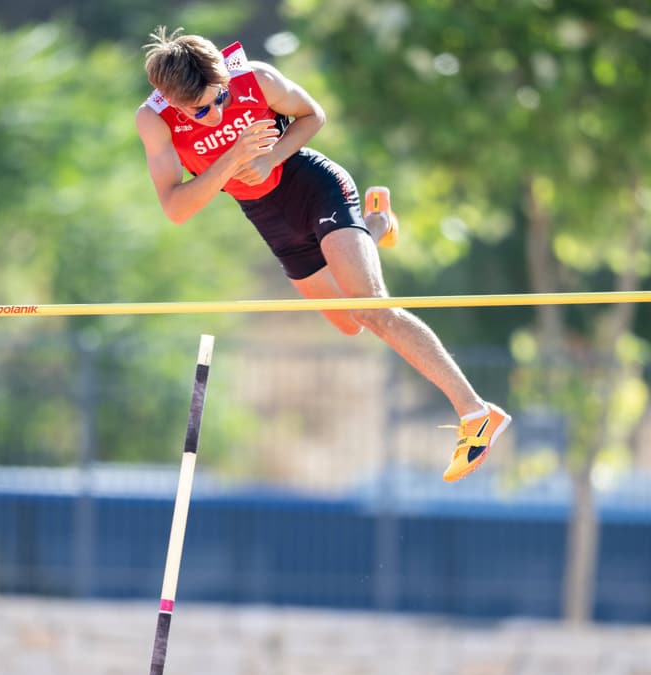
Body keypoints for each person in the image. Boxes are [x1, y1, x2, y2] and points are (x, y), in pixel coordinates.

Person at [135, 27, 510, 482]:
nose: (217, 113)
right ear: (171, 103)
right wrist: (231, 159)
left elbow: (313, 115)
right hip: (267, 216)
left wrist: (272, 157)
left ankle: (476, 414)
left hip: (313, 187)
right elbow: (176, 208)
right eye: (201, 110)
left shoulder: (255, 79)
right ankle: (375, 226)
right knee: (348, 322)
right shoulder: (154, 122)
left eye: (222, 99)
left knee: (371, 307)